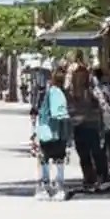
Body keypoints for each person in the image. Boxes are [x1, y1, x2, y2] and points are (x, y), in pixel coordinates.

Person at [67, 67, 110, 193]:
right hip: (88, 125)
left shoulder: (85, 91)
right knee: (92, 153)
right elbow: (103, 105)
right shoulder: (76, 92)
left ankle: (93, 179)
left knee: (89, 154)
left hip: (85, 126)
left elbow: (102, 104)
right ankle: (95, 178)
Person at [35, 67, 71, 202]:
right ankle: (58, 187)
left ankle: (45, 187)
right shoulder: (58, 92)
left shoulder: (51, 92)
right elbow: (59, 113)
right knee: (58, 159)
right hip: (56, 131)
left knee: (45, 158)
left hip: (48, 131)